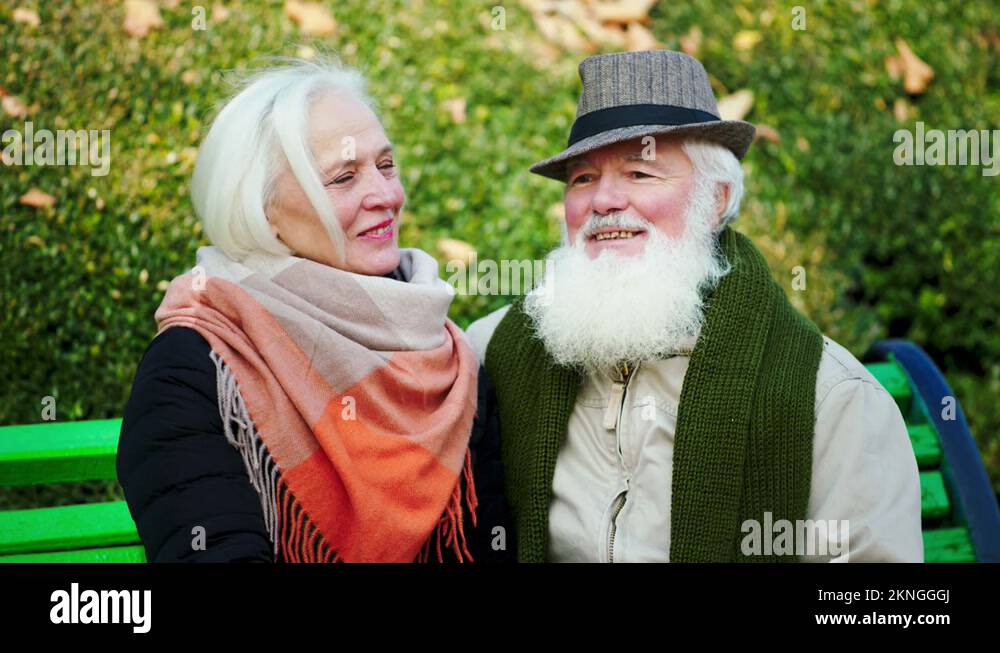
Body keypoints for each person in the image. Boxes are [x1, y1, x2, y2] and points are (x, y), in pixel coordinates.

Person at [467, 50, 923, 562]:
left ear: (716, 200)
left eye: (639, 173)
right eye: (583, 179)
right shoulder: (494, 351)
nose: (603, 201)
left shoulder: (832, 398)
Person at [117, 58, 511, 563]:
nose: (386, 195)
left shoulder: (446, 355)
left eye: (386, 165)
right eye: (344, 178)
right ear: (263, 213)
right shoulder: (194, 367)